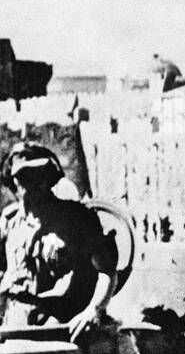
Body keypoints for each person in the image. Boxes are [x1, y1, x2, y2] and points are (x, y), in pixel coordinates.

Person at [0, 142, 118, 337]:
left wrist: (94, 310)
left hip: (65, 327)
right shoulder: (8, 222)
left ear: (51, 178)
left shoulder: (77, 217)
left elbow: (107, 271)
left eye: (41, 174)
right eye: (25, 176)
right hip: (16, 326)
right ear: (13, 182)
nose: (35, 182)